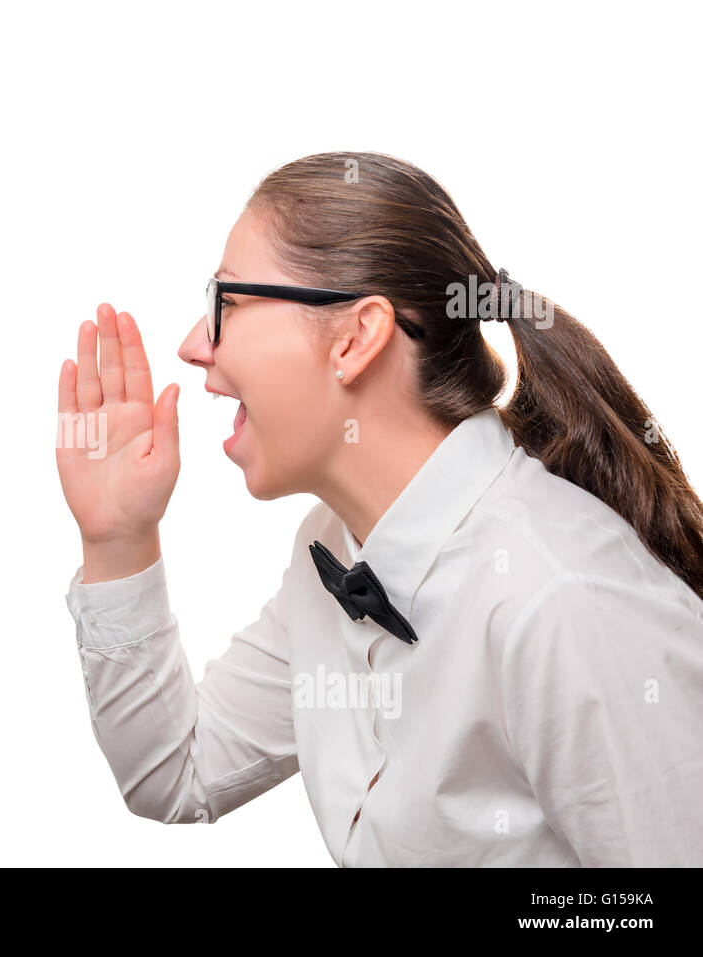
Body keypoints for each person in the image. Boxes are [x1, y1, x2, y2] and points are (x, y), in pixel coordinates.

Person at [54, 151, 703, 866]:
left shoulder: (561, 600)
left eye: (228, 303)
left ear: (357, 337)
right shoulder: (331, 547)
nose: (193, 344)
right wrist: (118, 538)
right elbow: (179, 773)